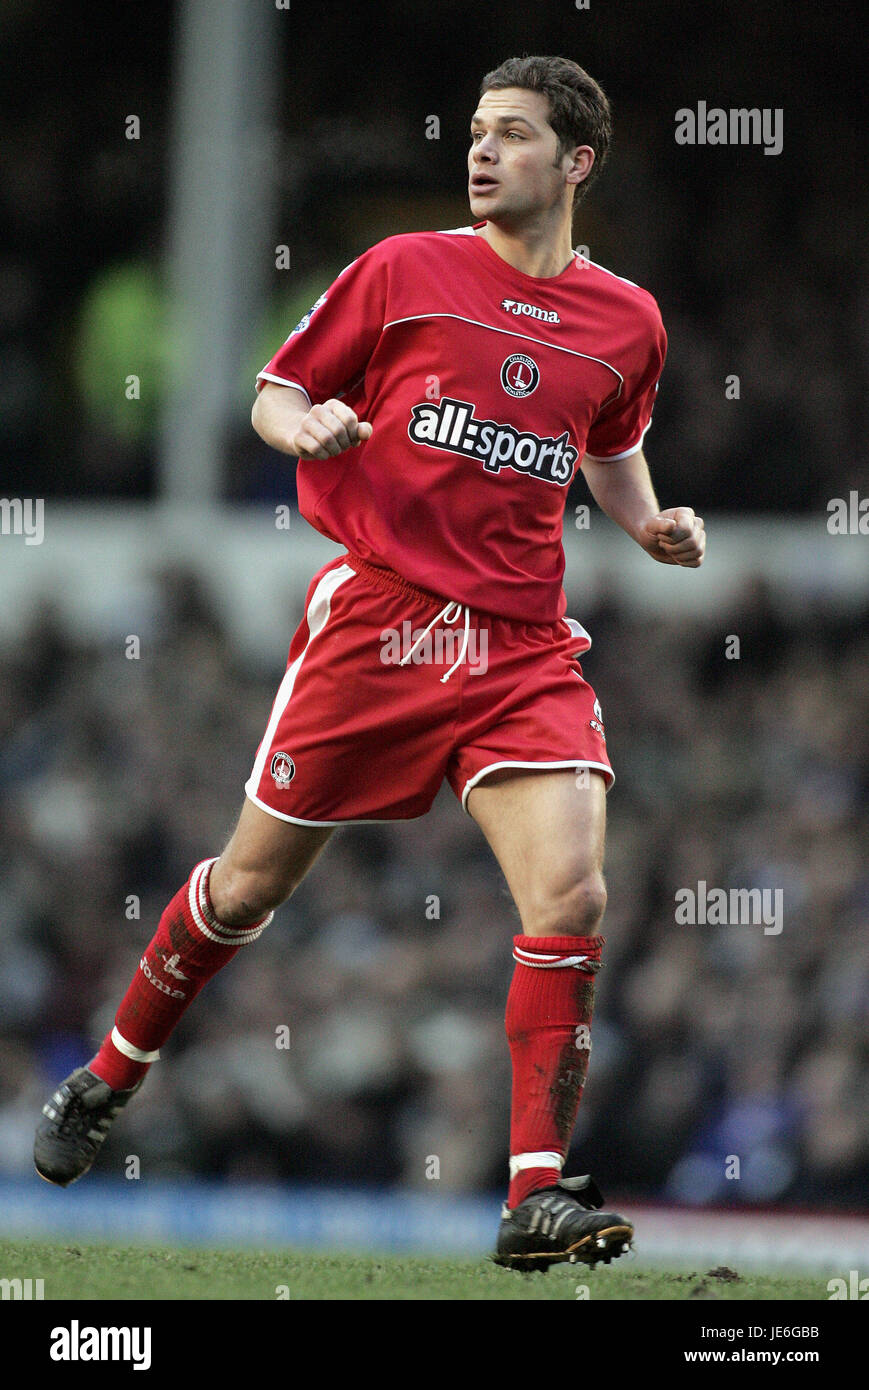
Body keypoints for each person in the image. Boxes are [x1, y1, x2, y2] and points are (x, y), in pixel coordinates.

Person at [34, 55, 705, 1272]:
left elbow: (608, 447)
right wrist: (313, 424)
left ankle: (533, 1195)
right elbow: (274, 392)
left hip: (518, 646)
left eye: (511, 133)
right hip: (382, 628)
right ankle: (108, 1071)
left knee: (573, 899)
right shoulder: (402, 270)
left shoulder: (629, 322)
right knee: (243, 893)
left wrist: (648, 521)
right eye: (475, 130)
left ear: (576, 163)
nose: (482, 150)